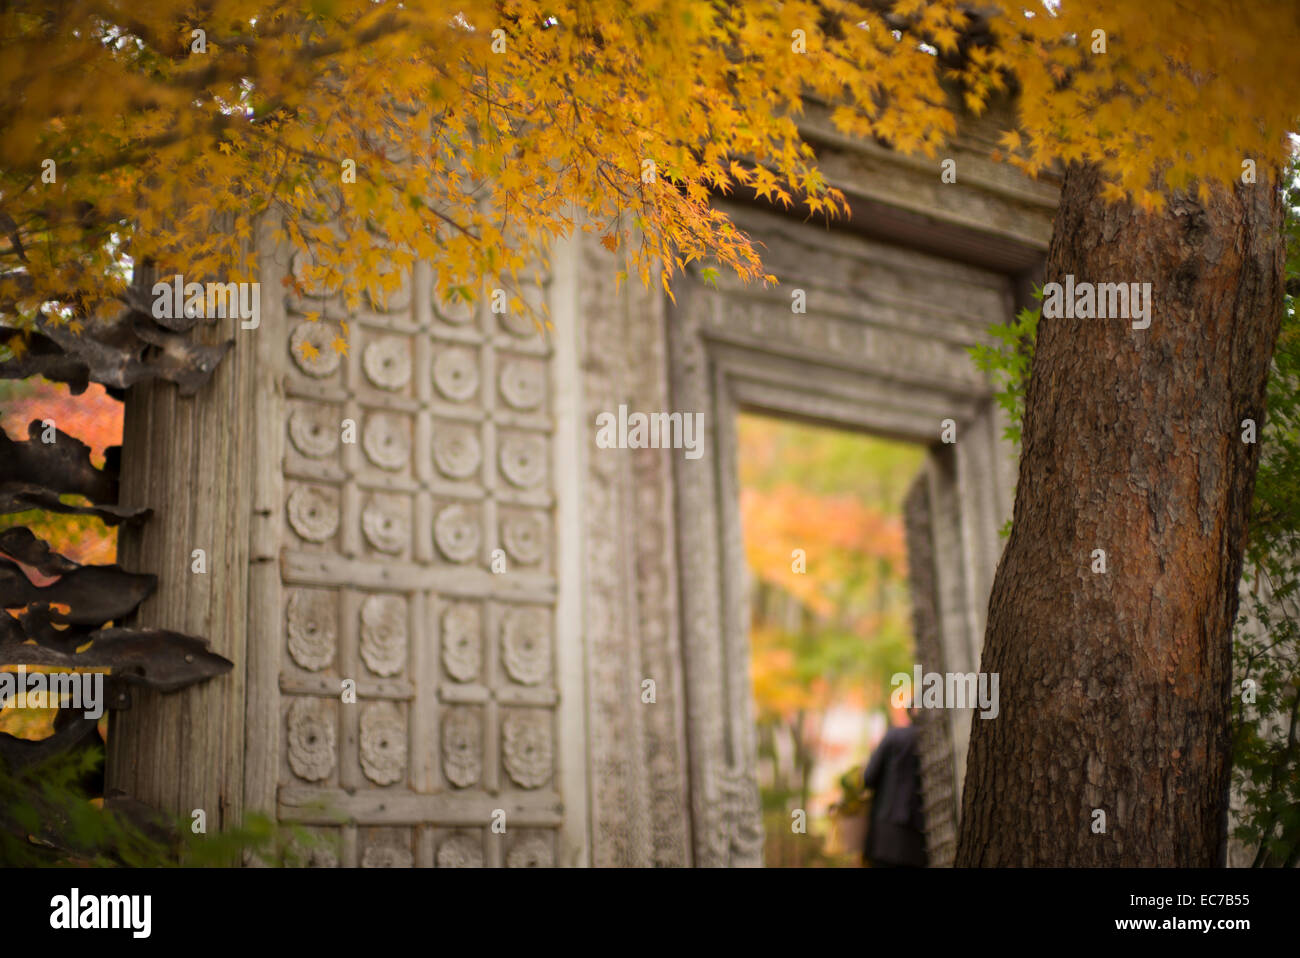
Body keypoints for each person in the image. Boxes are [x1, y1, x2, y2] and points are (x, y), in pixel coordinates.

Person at [861, 708, 927, 867]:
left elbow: (868, 778)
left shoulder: (894, 736)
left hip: (886, 833)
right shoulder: (932, 743)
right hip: (918, 836)